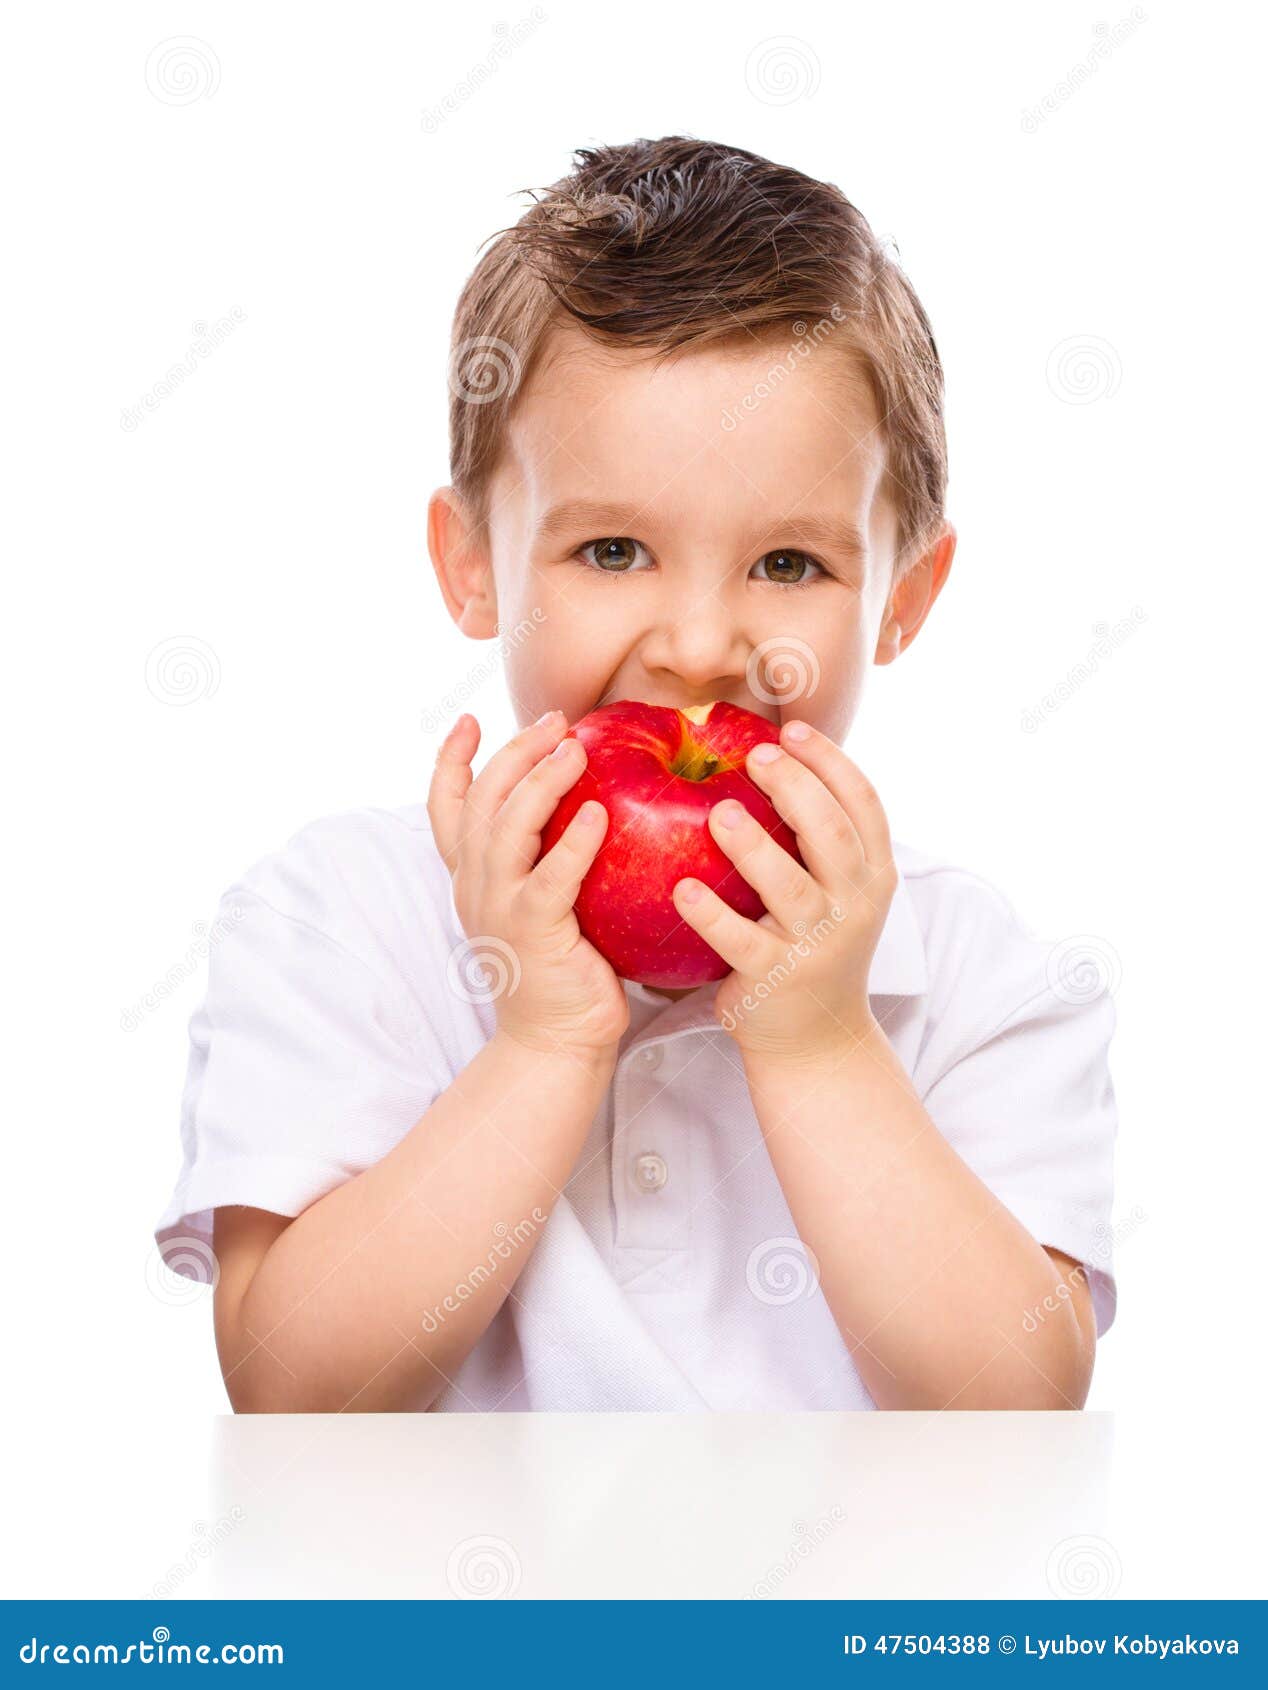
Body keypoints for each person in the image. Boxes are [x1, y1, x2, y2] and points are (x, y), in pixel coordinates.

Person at [154, 136, 1117, 1412]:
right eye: (611, 550)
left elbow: (1017, 1412)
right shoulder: (338, 921)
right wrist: (544, 1039)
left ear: (903, 595)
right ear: (472, 565)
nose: (700, 647)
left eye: (787, 564)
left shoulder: (981, 981)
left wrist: (822, 1044)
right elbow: (295, 1393)